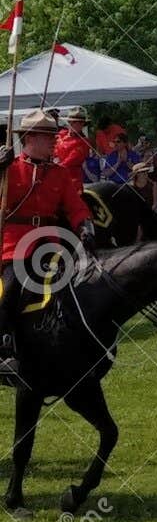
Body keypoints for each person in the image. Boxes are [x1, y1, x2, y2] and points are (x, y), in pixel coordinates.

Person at [0, 111, 95, 386]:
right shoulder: (10, 168)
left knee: (81, 282)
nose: (55, 141)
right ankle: (5, 348)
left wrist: (85, 226)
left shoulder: (59, 173)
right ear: (30, 138)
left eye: (55, 136)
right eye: (48, 137)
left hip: (49, 242)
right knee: (14, 284)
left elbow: (75, 207)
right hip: (14, 242)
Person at [53, 107, 94, 182]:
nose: (79, 125)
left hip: (72, 179)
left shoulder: (84, 142)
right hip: (56, 175)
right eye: (75, 122)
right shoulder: (61, 134)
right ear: (70, 122)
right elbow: (52, 150)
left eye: (81, 123)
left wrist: (55, 167)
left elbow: (70, 161)